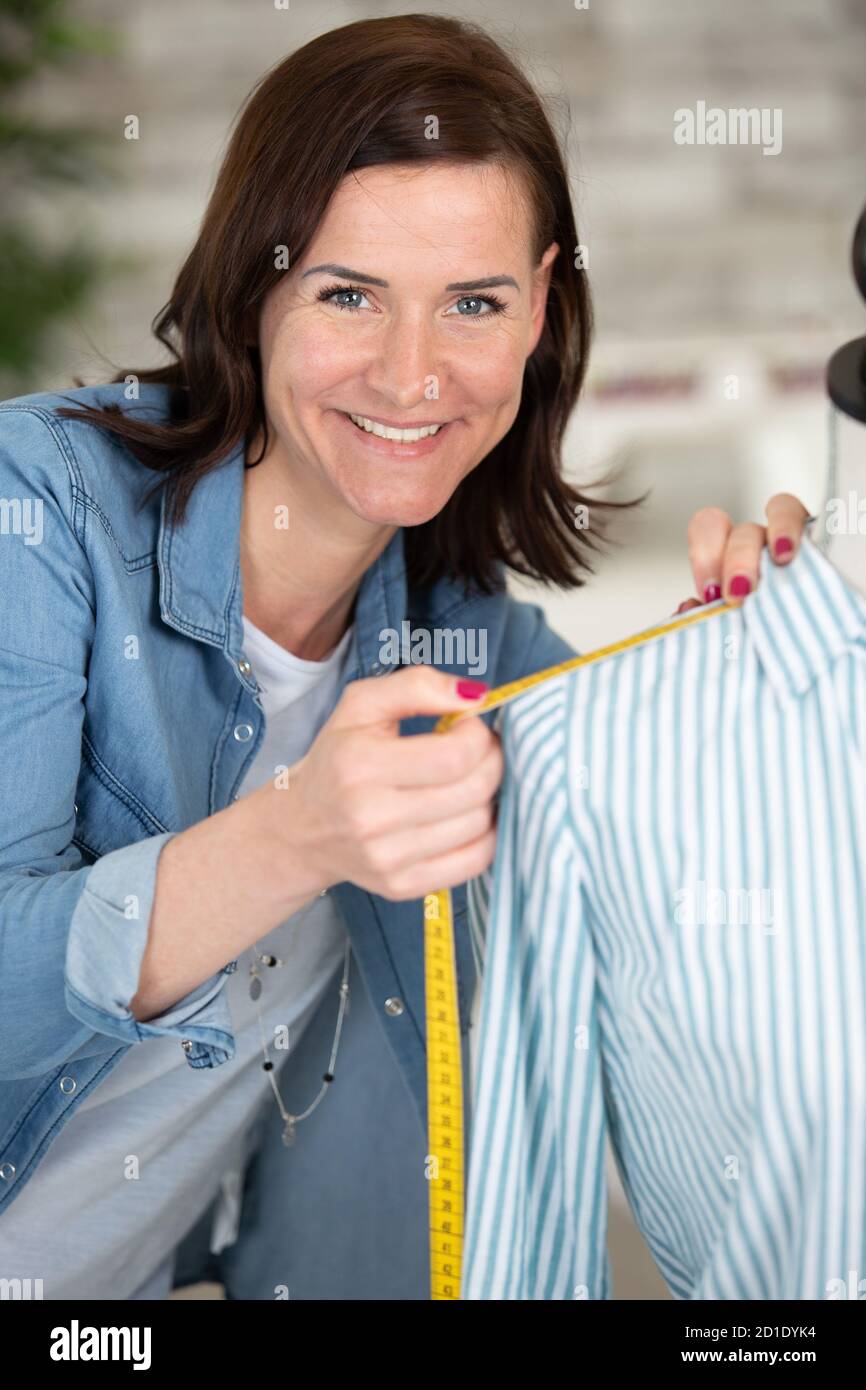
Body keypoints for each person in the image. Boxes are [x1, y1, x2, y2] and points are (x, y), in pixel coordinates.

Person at [0, 13, 814, 1300]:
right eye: (347, 295)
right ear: (249, 287)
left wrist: (751, 653)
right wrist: (297, 834)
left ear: (541, 305)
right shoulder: (35, 512)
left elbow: (707, 895)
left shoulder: (476, 645)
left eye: (474, 302)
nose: (412, 373)